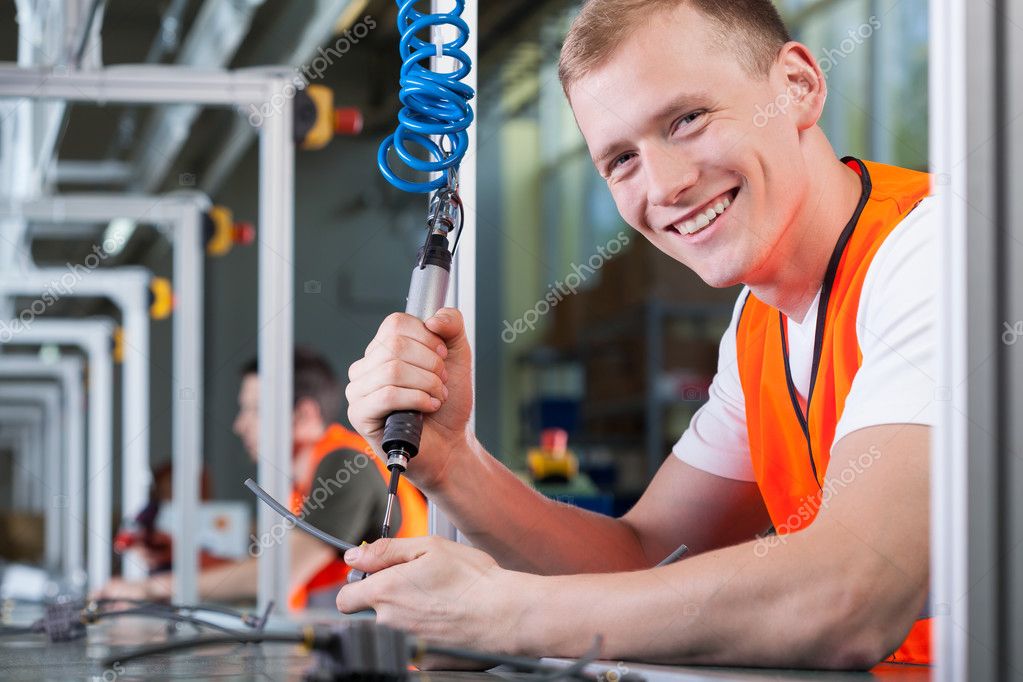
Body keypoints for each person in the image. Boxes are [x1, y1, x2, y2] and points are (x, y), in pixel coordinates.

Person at [337, 0, 935, 670]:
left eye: (686, 119)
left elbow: (852, 593)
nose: (666, 186)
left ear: (796, 84)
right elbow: (642, 558)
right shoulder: (758, 322)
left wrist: (499, 613)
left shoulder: (934, 254)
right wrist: (452, 465)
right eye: (621, 159)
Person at [98, 347, 427, 609]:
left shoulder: (344, 465)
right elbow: (270, 562)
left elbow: (274, 575)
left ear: (304, 415)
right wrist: (186, 556)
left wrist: (148, 588)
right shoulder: (305, 480)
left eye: (255, 409)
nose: (241, 425)